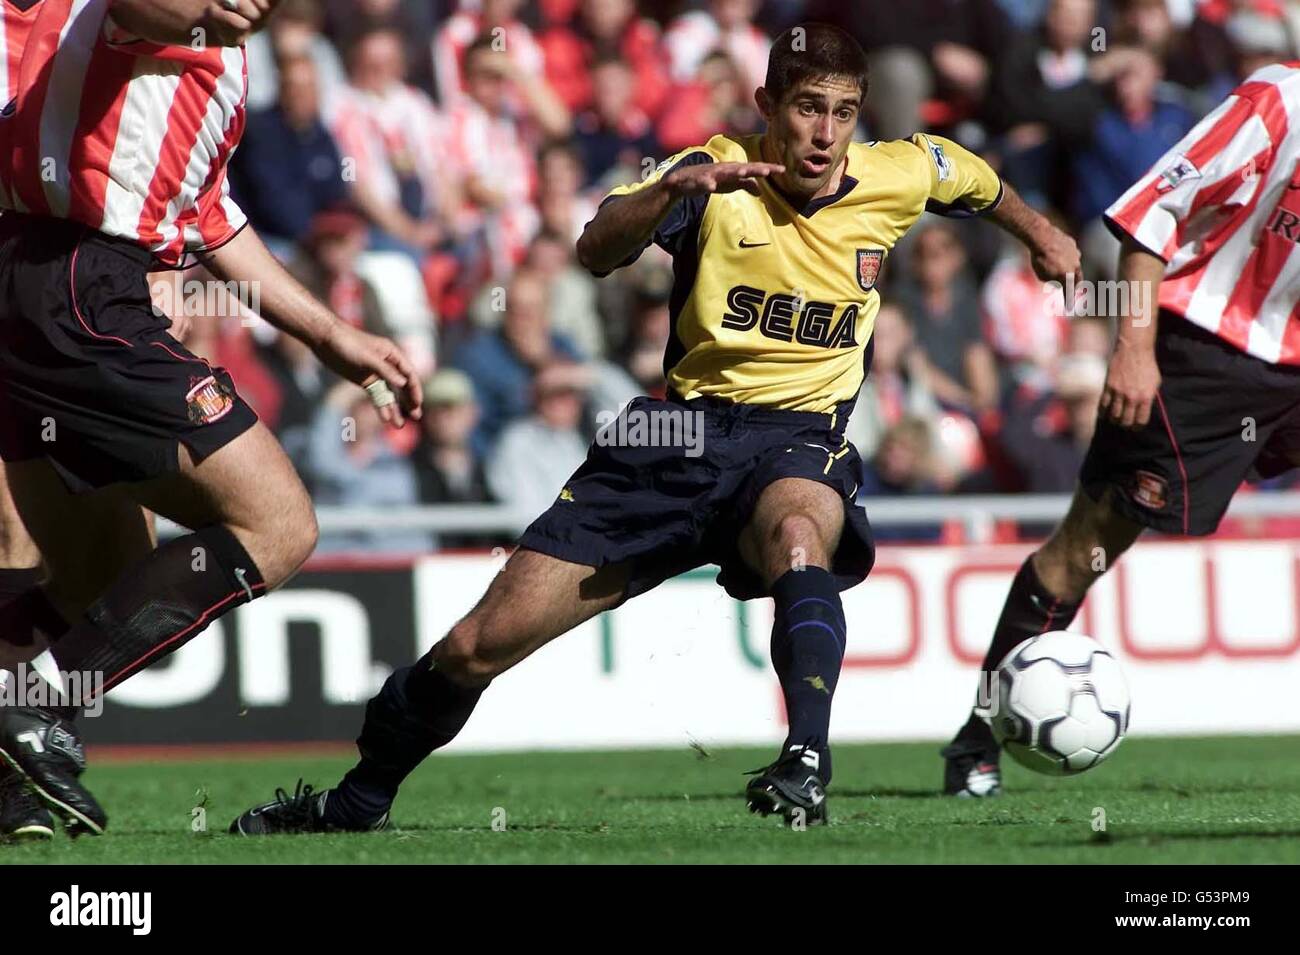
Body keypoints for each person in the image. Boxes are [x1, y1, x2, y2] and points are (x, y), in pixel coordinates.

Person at [230, 22, 1077, 835]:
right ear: (766, 105)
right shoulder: (711, 171)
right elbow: (596, 247)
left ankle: (806, 758)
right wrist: (666, 193)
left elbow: (973, 179)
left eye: (843, 111)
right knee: (474, 646)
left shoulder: (896, 173)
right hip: (673, 443)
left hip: (797, 436)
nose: (824, 132)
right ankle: (358, 799)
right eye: (807, 107)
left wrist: (1044, 235)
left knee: (796, 535)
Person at [0, 0, 421, 837]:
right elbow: (129, 7)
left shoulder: (219, 57)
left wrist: (334, 335)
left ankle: (12, 776)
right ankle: (31, 709)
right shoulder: (175, 18)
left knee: (95, 573)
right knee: (278, 522)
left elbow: (212, 217)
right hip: (82, 289)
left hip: (38, 287)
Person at [941, 62, 1300, 798]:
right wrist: (1133, 348)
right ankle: (978, 737)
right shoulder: (1278, 99)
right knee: (1088, 547)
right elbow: (1154, 211)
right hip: (1204, 350)